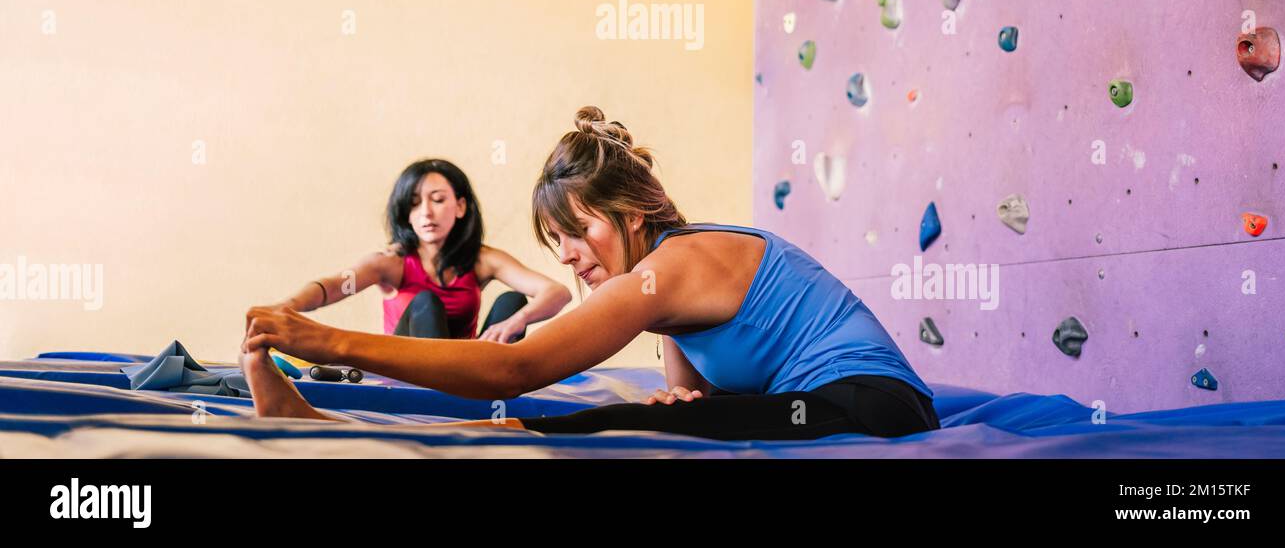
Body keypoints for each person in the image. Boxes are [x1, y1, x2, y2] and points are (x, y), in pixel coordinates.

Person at [241, 108, 941, 441]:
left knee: (591, 423)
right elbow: (686, 396)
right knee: (631, 422)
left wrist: (323, 341)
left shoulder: (670, 268)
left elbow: (518, 370)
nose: (571, 256)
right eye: (558, 241)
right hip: (832, 402)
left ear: (633, 214)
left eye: (580, 232)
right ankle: (332, 422)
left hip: (873, 406)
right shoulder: (666, 280)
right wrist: (676, 406)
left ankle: (343, 428)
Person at [274, 158, 570, 344]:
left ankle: (482, 377)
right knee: (426, 302)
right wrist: (287, 307)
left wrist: (518, 320)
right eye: (415, 203)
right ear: (406, 213)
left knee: (513, 300)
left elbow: (557, 292)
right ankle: (446, 383)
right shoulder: (392, 263)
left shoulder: (482, 259)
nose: (426, 212)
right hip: (412, 375)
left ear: (461, 207)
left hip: (471, 372)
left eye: (438, 199)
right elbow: (334, 286)